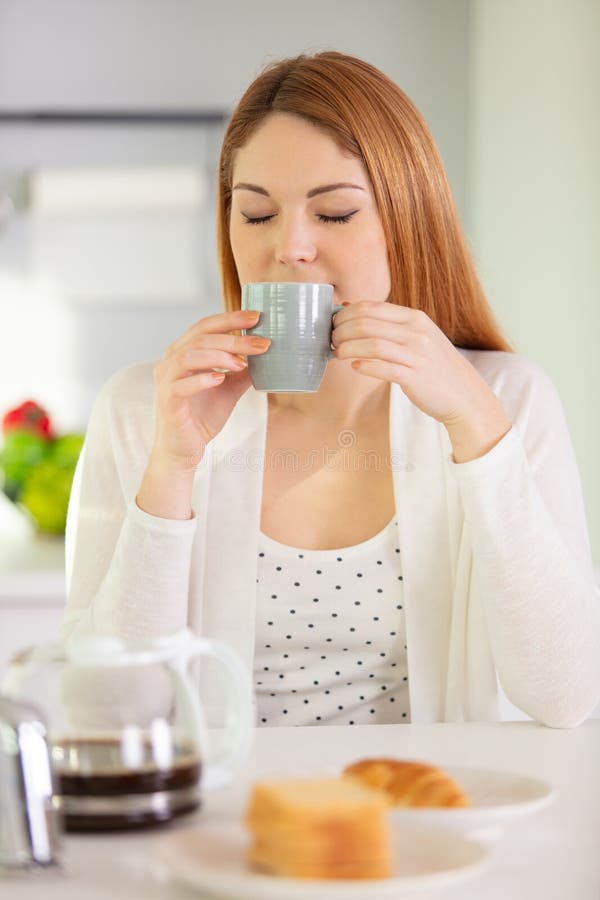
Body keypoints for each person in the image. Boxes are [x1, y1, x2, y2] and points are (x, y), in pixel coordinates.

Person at [63, 51, 600, 729]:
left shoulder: (505, 400)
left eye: (337, 213)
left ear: (411, 221)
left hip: (421, 820)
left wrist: (476, 428)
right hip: (225, 830)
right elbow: (105, 715)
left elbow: (567, 696)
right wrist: (171, 470)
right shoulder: (146, 409)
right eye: (255, 215)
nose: (291, 247)